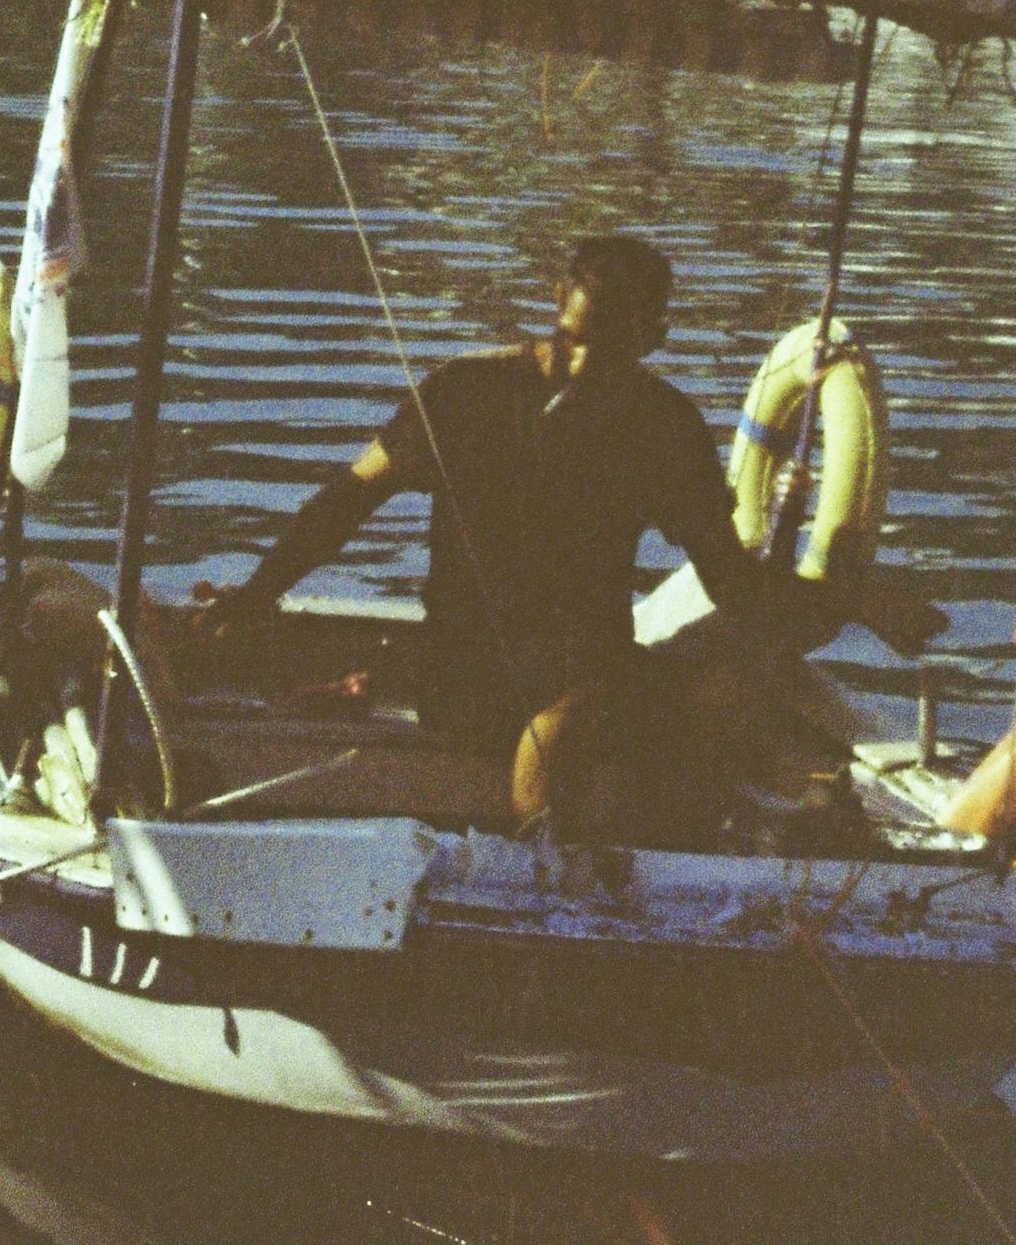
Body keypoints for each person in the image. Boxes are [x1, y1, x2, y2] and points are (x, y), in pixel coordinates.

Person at [185, 233, 784, 827]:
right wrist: (259, 593)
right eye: (572, 339)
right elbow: (349, 500)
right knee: (567, 720)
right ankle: (540, 869)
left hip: (593, 662)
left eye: (605, 355)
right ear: (557, 301)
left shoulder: (667, 426)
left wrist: (793, 565)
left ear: (652, 340)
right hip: (467, 670)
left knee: (731, 695)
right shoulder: (467, 390)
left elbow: (725, 574)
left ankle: (673, 848)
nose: (578, 367)